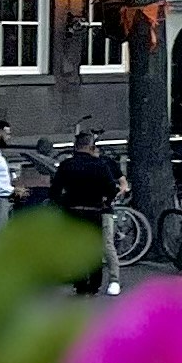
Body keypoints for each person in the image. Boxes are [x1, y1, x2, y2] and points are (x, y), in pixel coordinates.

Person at [45, 125, 120, 295]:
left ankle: (80, 283)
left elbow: (55, 191)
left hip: (72, 210)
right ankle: (94, 284)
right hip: (94, 210)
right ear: (91, 146)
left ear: (75, 146)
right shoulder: (99, 165)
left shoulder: (66, 165)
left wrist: (61, 203)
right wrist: (105, 201)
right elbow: (111, 188)